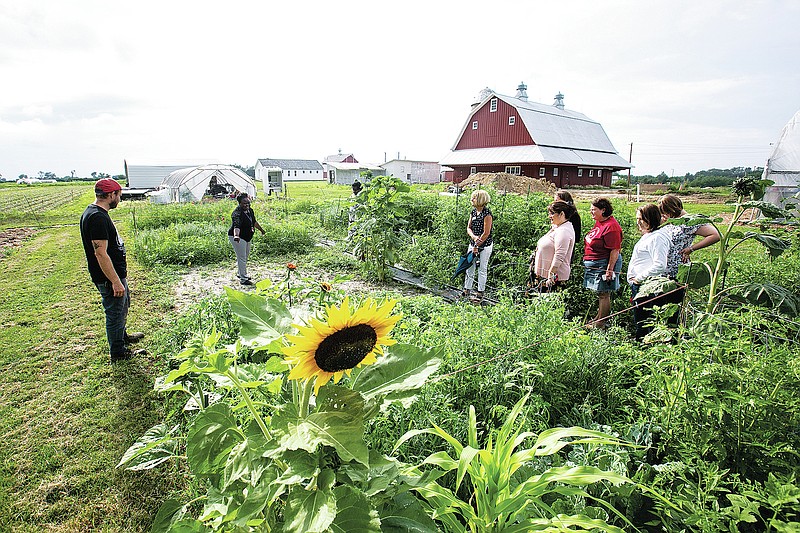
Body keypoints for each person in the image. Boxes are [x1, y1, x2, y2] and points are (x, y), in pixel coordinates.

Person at [80, 178, 145, 362]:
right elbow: (100, 253)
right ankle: (118, 353)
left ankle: (121, 336)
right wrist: (115, 281)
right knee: (115, 312)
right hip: (109, 277)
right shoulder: (97, 217)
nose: (120, 198)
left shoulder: (95, 212)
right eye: (119, 195)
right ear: (110, 195)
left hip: (114, 274)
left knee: (122, 307)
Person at [627, 204, 672, 340]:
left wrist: (639, 278)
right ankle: (642, 343)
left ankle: (644, 346)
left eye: (641, 219)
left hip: (647, 287)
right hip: (640, 285)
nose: (638, 222)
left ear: (651, 219)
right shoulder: (649, 235)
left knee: (645, 320)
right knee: (641, 318)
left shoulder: (657, 237)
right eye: (637, 219)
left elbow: (660, 265)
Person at [657, 194, 721, 279]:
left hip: (676, 268)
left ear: (672, 209)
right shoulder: (673, 220)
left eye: (666, 212)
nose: (664, 215)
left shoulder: (690, 222)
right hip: (664, 268)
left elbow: (715, 235)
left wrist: (691, 249)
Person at [582, 197, 623, 328]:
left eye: (593, 210)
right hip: (595, 262)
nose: (591, 212)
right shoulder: (600, 222)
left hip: (604, 263)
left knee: (604, 293)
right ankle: (598, 318)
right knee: (600, 293)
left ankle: (601, 322)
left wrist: (609, 269)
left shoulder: (611, 227)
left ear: (603, 210)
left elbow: (615, 250)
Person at [531, 201, 577, 293]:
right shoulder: (558, 227)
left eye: (552, 213)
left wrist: (551, 275)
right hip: (543, 274)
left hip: (552, 279)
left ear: (561, 214)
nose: (549, 216)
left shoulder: (564, 231)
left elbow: (559, 255)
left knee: (547, 304)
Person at [463, 189, 493, 303]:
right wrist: (474, 238)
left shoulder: (487, 214)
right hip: (473, 243)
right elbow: (468, 228)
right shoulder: (473, 212)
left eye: (474, 197)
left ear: (481, 200)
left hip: (485, 245)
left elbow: (486, 233)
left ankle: (480, 292)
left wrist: (477, 243)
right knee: (469, 266)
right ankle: (467, 290)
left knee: (482, 268)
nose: (472, 199)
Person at [228, 193, 265, 285]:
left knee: (245, 256)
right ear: (239, 203)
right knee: (242, 257)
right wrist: (236, 235)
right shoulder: (236, 213)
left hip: (247, 236)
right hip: (238, 237)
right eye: (244, 203)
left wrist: (261, 230)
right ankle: (243, 279)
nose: (247, 205)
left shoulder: (250, 210)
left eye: (248, 203)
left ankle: (240, 273)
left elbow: (254, 222)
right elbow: (237, 225)